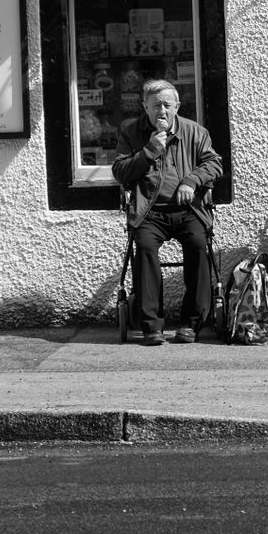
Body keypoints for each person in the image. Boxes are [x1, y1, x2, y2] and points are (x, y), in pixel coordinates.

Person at [112, 79, 222, 346]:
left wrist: (191, 180)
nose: (161, 111)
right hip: (149, 211)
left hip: (188, 209)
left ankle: (192, 323)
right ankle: (151, 326)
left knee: (197, 244)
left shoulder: (195, 132)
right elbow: (120, 171)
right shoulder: (131, 132)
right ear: (145, 108)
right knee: (145, 248)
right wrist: (149, 150)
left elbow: (214, 164)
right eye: (155, 106)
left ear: (177, 107)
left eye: (167, 105)